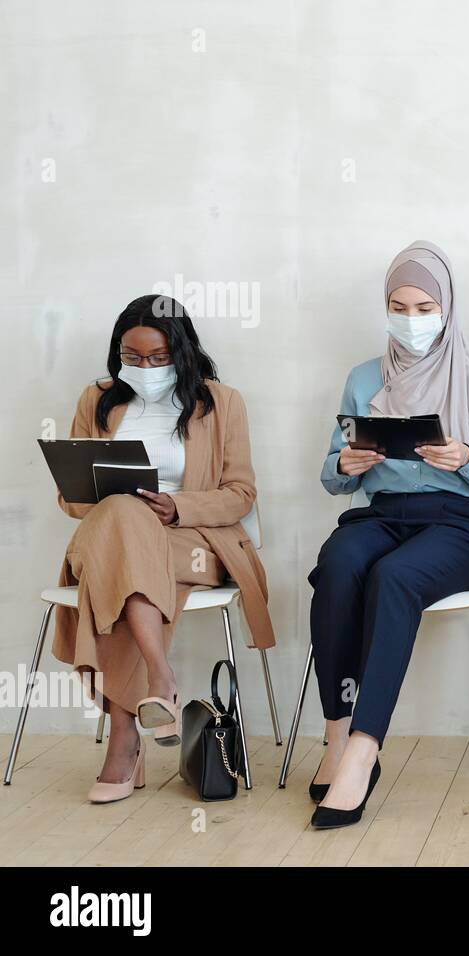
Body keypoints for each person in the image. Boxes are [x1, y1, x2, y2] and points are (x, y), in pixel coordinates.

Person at [307, 240, 469, 829]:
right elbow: (333, 474)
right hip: (381, 513)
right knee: (340, 563)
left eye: (425, 307)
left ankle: (363, 751)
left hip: (456, 523)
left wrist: (466, 456)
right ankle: (336, 731)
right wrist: (344, 465)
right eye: (399, 306)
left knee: (393, 578)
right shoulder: (363, 377)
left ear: (448, 306)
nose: (412, 319)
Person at [52, 294, 273, 804]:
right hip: (109, 538)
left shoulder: (221, 401)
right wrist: (117, 506)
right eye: (132, 358)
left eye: (157, 358)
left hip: (191, 542)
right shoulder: (97, 400)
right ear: (118, 353)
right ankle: (160, 676)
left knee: (123, 563)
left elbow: (240, 494)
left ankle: (124, 738)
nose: (145, 368)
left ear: (182, 350)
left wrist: (175, 506)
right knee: (124, 523)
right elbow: (69, 496)